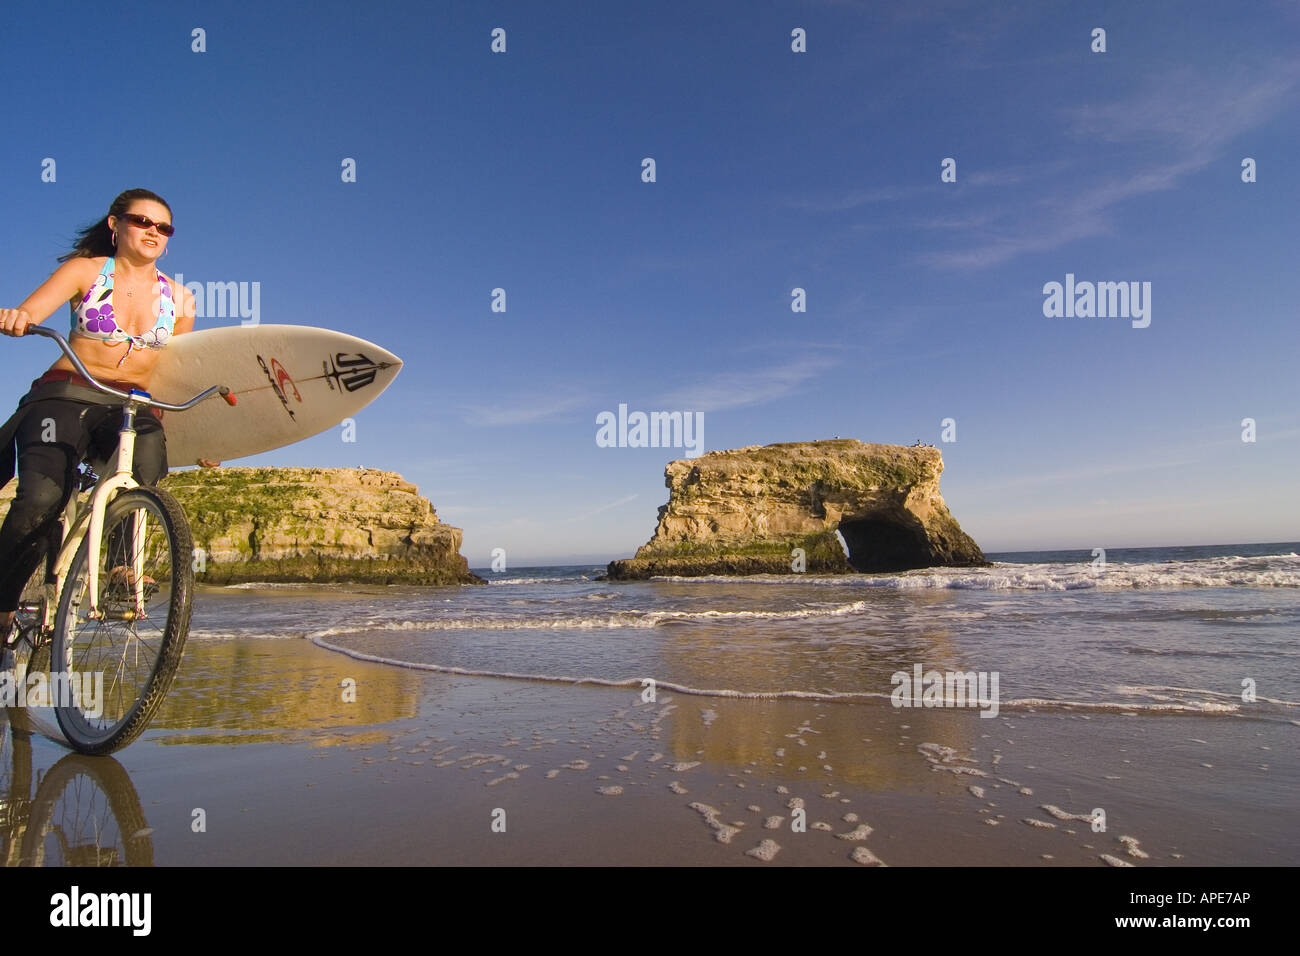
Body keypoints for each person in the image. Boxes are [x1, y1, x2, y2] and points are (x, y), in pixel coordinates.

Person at [0, 188, 216, 647]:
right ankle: (2, 605)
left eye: (164, 227)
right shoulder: (85, 271)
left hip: (130, 404)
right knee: (40, 499)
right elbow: (32, 310)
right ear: (115, 225)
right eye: (142, 221)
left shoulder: (182, 299)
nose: (153, 232)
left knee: (147, 459)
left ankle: (121, 570)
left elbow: (174, 377)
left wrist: (202, 439)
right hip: (67, 393)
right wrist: (19, 317)